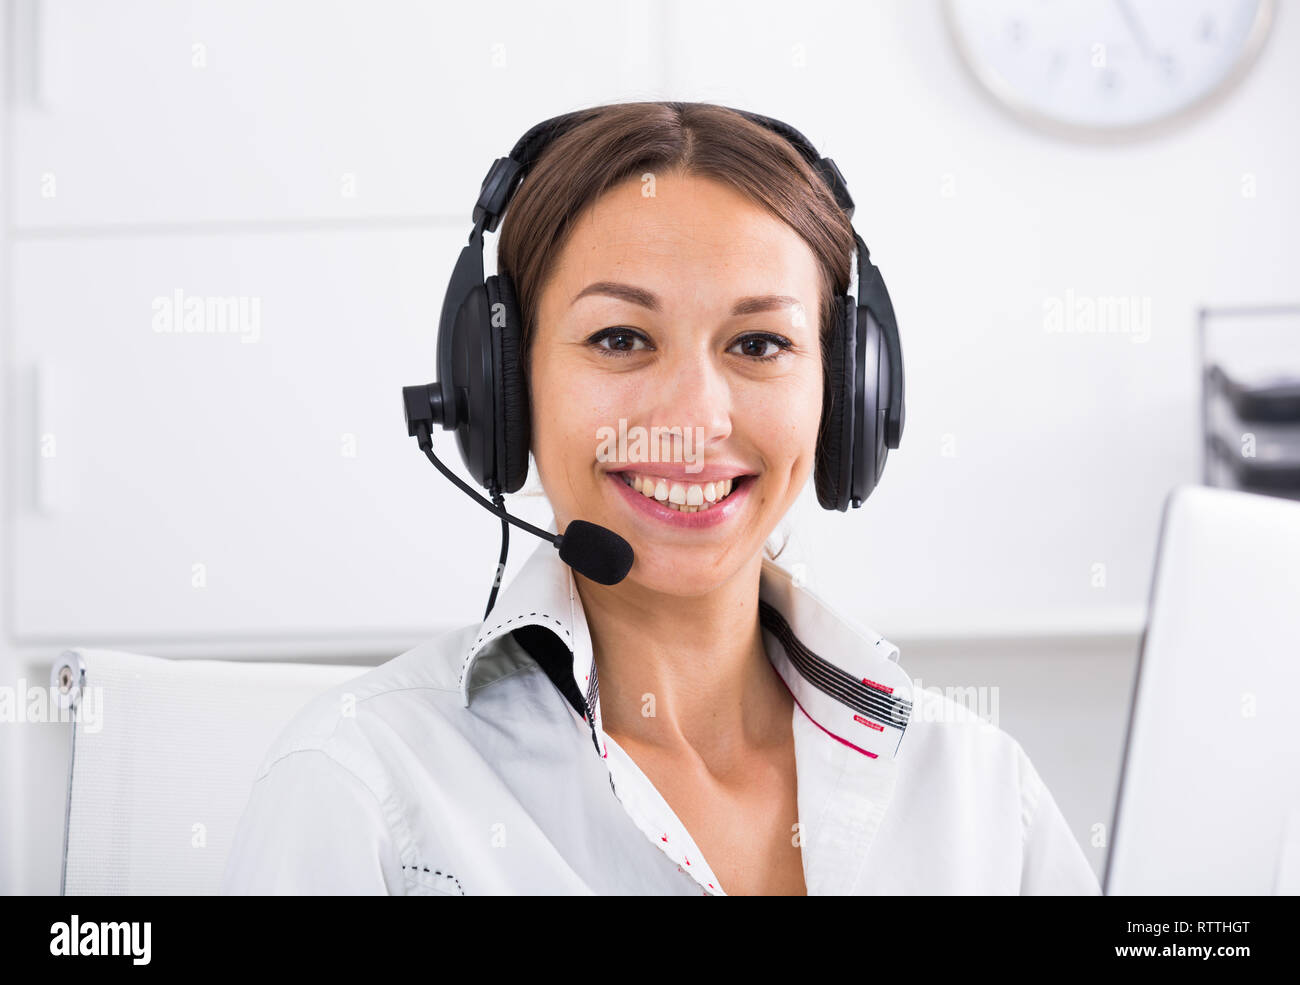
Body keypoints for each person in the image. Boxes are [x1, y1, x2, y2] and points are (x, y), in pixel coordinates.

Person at [222, 101, 1100, 895]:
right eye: (620, 337)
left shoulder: (978, 795)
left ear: (848, 393)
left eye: (758, 344)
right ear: (501, 388)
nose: (692, 419)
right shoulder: (363, 786)